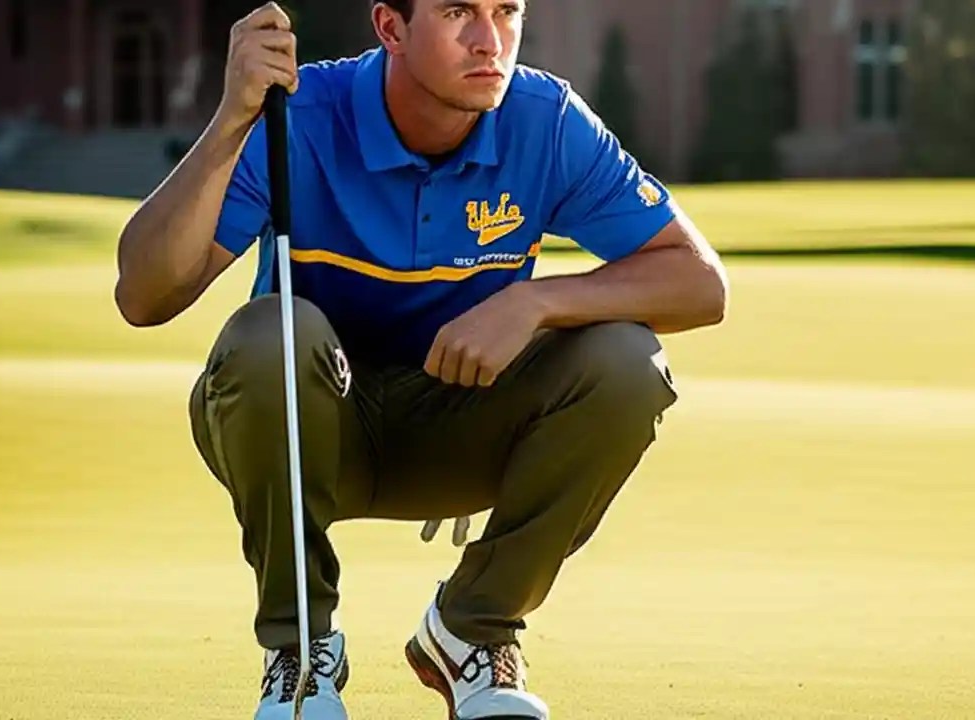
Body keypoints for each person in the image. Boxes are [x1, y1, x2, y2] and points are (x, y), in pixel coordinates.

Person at [114, 1, 728, 718]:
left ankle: (472, 632)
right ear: (391, 28)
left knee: (628, 359)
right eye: (459, 12)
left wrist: (533, 304)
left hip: (460, 432)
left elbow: (700, 283)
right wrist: (230, 120)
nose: (489, 39)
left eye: (507, 11)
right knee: (268, 332)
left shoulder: (545, 119)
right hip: (306, 433)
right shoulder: (298, 113)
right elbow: (145, 296)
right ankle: (300, 649)